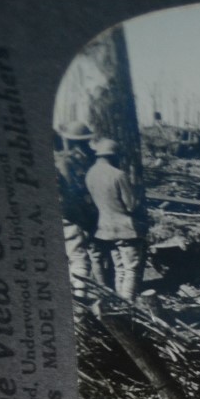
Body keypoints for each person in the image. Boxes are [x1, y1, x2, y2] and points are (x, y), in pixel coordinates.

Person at [85, 137, 149, 302]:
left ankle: (120, 305)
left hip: (104, 230)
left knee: (120, 268)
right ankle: (128, 307)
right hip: (125, 229)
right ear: (113, 156)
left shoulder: (90, 174)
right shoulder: (119, 175)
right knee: (131, 270)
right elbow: (131, 205)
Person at [53, 121, 101, 302]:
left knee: (79, 256)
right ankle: (80, 300)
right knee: (79, 257)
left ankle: (83, 295)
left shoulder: (70, 160)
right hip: (73, 215)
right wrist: (84, 218)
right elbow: (72, 195)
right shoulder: (67, 162)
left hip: (79, 214)